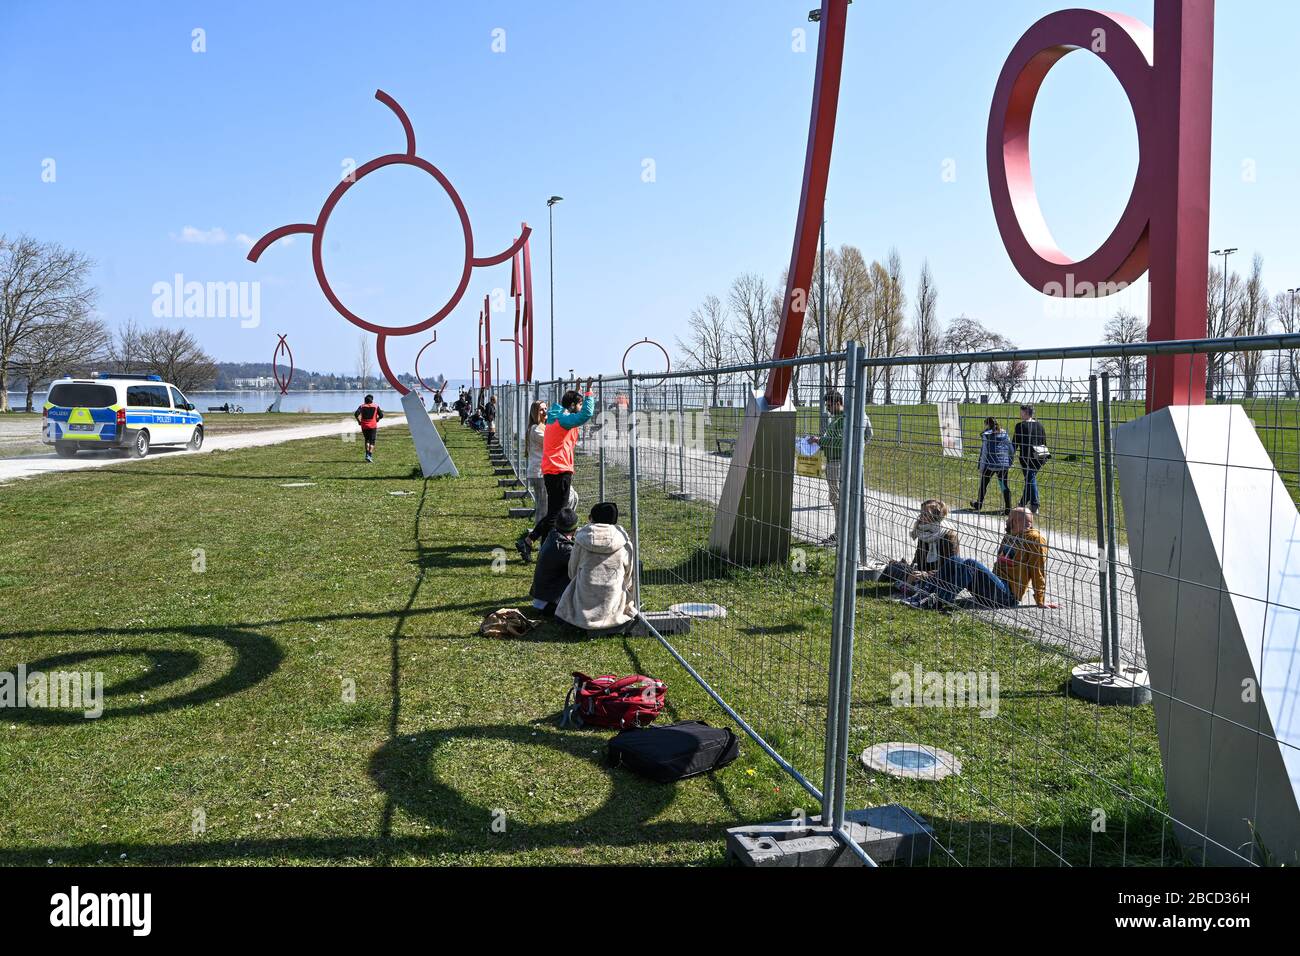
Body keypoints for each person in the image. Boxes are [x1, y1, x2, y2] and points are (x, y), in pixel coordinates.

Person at [908, 507, 1057, 610]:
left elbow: (1038, 570)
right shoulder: (1010, 535)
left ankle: (938, 601)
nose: (1006, 521)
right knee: (956, 560)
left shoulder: (1034, 539)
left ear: (1017, 522)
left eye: (1009, 519)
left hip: (1006, 596)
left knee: (971, 564)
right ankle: (926, 592)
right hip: (993, 588)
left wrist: (1040, 599)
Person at [516, 379, 595, 563]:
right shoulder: (563, 420)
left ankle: (544, 548)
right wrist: (589, 392)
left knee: (554, 511)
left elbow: (573, 409)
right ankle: (529, 540)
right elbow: (585, 414)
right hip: (559, 469)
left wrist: (578, 391)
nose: (580, 406)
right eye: (579, 403)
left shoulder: (556, 416)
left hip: (552, 469)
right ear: (573, 405)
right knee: (556, 513)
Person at [555, 502, 637, 633]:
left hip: (582, 611)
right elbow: (629, 576)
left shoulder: (581, 539)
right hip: (613, 606)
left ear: (592, 518)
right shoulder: (624, 542)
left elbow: (572, 572)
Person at [812, 390, 873, 555]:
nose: (827, 408)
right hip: (839, 461)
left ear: (838, 402)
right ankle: (840, 533)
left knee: (838, 499)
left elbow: (843, 442)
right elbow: (868, 434)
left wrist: (822, 441)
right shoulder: (841, 418)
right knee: (837, 499)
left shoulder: (846, 418)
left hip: (838, 463)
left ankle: (842, 535)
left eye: (829, 404)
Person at [884, 499, 960, 594]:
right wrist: (911, 568)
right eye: (921, 514)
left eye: (925, 515)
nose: (920, 518)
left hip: (940, 577)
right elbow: (918, 558)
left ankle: (913, 586)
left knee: (915, 578)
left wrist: (925, 574)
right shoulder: (923, 532)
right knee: (894, 566)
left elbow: (950, 568)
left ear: (935, 517)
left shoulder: (948, 535)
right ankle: (912, 584)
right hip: (922, 573)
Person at [530, 506, 578, 615]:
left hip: (541, 598)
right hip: (549, 603)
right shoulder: (564, 548)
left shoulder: (553, 535)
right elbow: (582, 565)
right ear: (575, 529)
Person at [970, 416, 1013, 514]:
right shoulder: (1005, 433)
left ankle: (979, 504)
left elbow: (984, 452)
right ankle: (1008, 508)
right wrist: (1009, 462)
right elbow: (1010, 448)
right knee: (1003, 486)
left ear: (987, 424)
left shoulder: (986, 435)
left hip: (990, 464)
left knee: (983, 485)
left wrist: (981, 467)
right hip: (1003, 465)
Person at [1013, 404, 1048, 514]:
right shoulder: (1040, 425)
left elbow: (1015, 443)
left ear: (1026, 412)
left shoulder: (1020, 426)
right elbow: (1044, 442)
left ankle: (1035, 503)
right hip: (1040, 456)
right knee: (1030, 480)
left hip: (1026, 457)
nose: (1020, 414)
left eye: (1021, 412)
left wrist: (1010, 455)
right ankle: (1022, 503)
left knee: (1030, 479)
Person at [524, 400, 549, 525]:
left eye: (545, 408)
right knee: (542, 508)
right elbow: (550, 442)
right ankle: (537, 536)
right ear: (535, 412)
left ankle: (539, 534)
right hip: (539, 473)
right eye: (541, 409)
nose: (545, 412)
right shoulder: (535, 429)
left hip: (540, 472)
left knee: (544, 506)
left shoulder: (540, 427)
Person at [354, 394, 384, 462]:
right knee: (372, 441)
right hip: (373, 426)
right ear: (372, 400)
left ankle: (367, 454)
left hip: (364, 425)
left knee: (367, 440)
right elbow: (381, 415)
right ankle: (369, 456)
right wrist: (378, 419)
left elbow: (356, 414)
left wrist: (359, 421)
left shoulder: (361, 406)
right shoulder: (376, 406)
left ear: (365, 400)